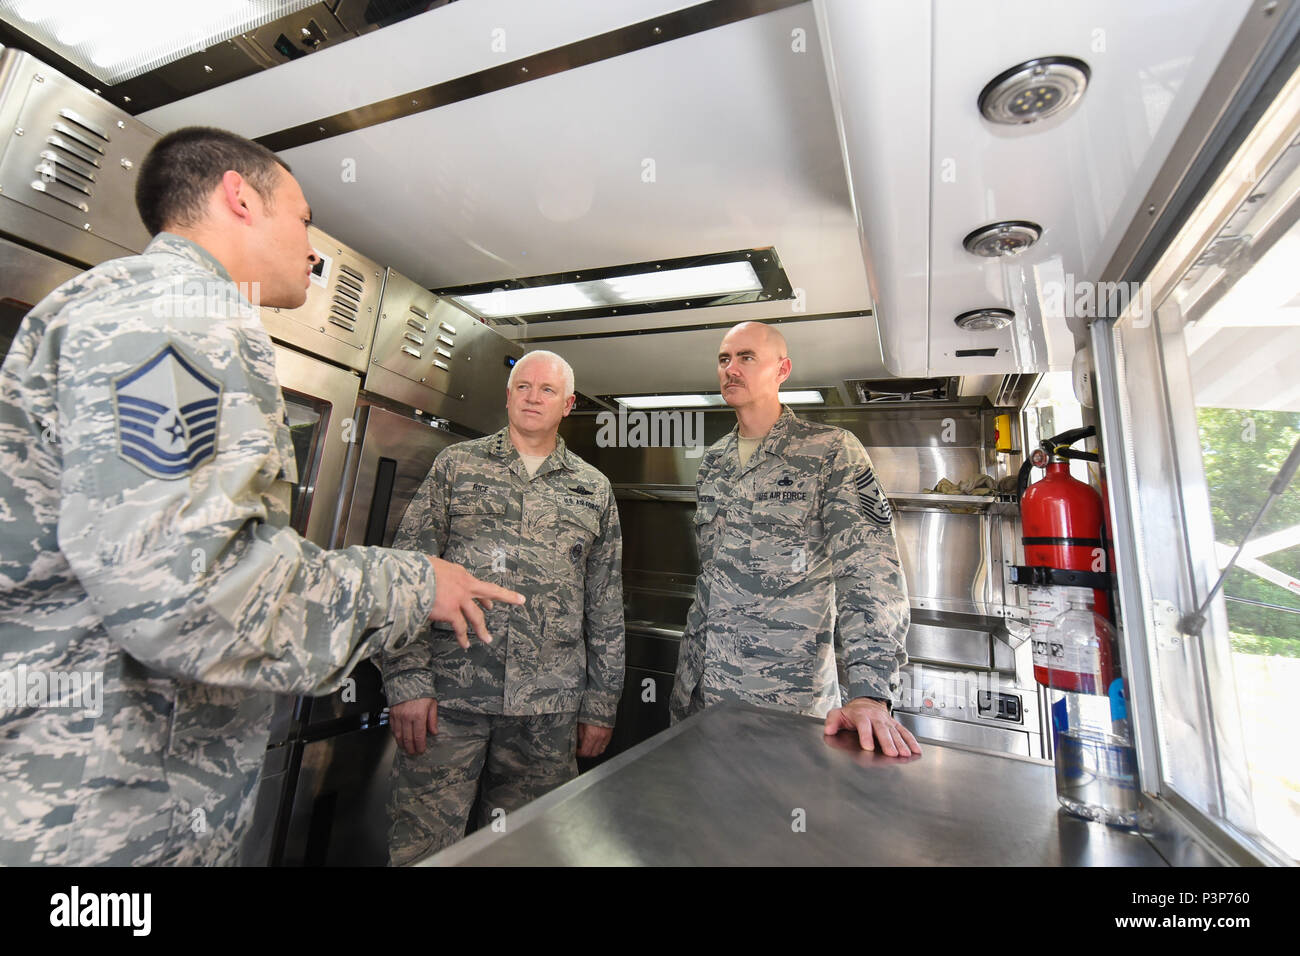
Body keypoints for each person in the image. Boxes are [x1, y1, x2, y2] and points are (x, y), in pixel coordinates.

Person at [0, 126, 521, 866]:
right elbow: (187, 594)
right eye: (304, 220)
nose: (313, 252)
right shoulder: (180, 316)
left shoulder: (133, 305)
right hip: (103, 824)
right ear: (239, 197)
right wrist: (413, 583)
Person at [378, 349, 625, 865]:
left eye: (547, 390)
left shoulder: (594, 489)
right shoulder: (457, 466)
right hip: (450, 699)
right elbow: (408, 575)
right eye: (523, 387)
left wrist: (600, 705)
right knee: (424, 848)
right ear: (508, 395)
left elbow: (604, 605)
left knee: (527, 852)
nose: (533, 397)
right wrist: (407, 681)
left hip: (547, 711)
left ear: (568, 404)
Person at [669, 321, 921, 756]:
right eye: (724, 359)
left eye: (747, 357)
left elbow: (870, 571)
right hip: (701, 688)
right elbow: (712, 577)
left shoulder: (830, 450)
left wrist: (869, 691)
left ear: (782, 370)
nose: (731, 368)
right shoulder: (714, 461)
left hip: (785, 696)